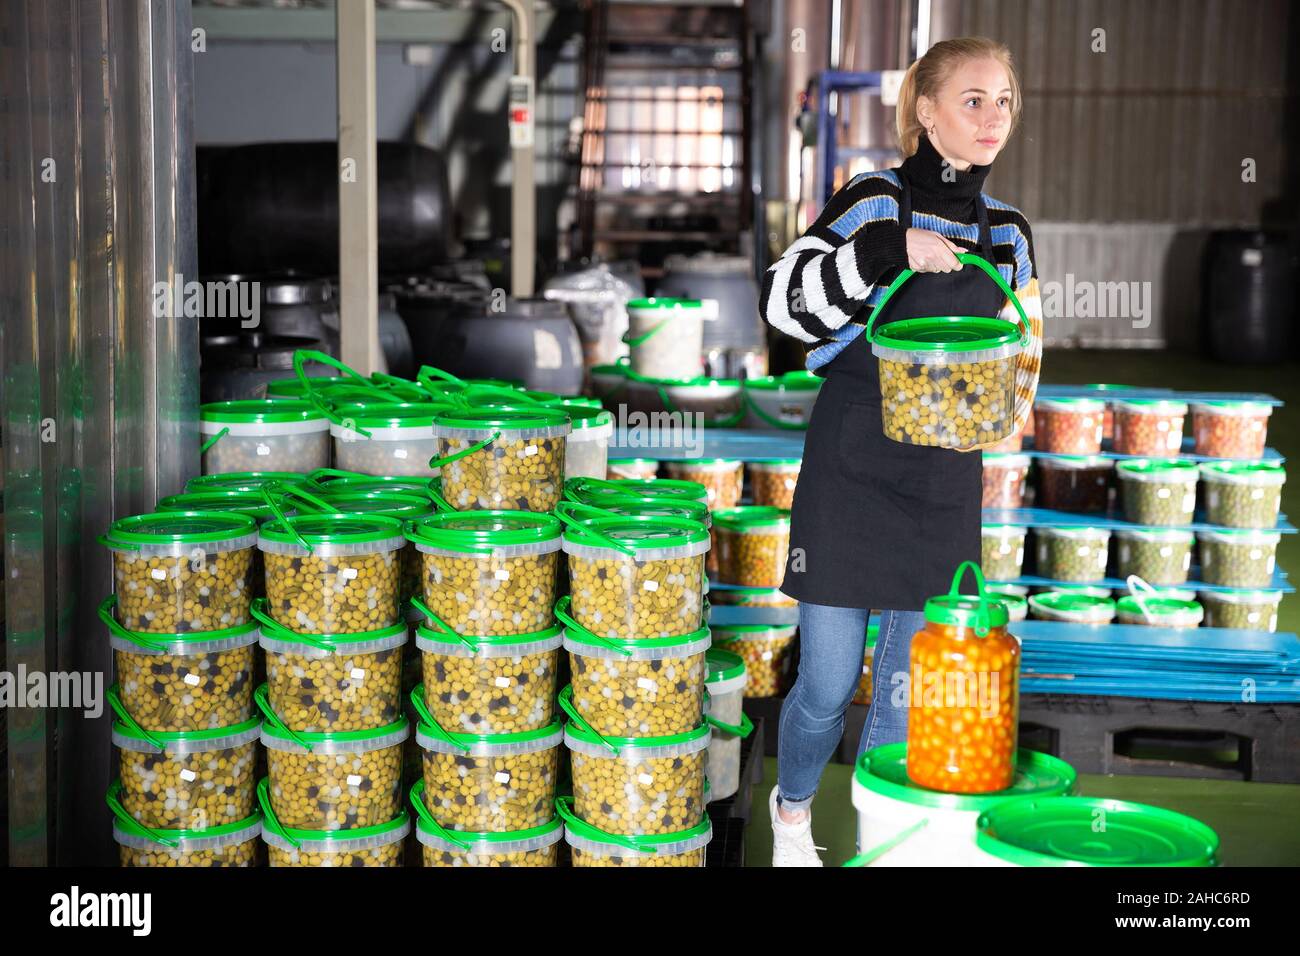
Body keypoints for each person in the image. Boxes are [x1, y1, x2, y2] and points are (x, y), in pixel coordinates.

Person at [759, 37, 1044, 866]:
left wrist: (1012, 409)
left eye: (1004, 103)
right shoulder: (872, 200)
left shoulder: (1010, 231)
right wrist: (887, 251)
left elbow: (1023, 346)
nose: (994, 118)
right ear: (926, 111)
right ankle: (791, 817)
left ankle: (883, 847)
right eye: (973, 99)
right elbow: (785, 303)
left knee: (904, 688)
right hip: (851, 464)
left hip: (945, 474)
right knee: (823, 685)